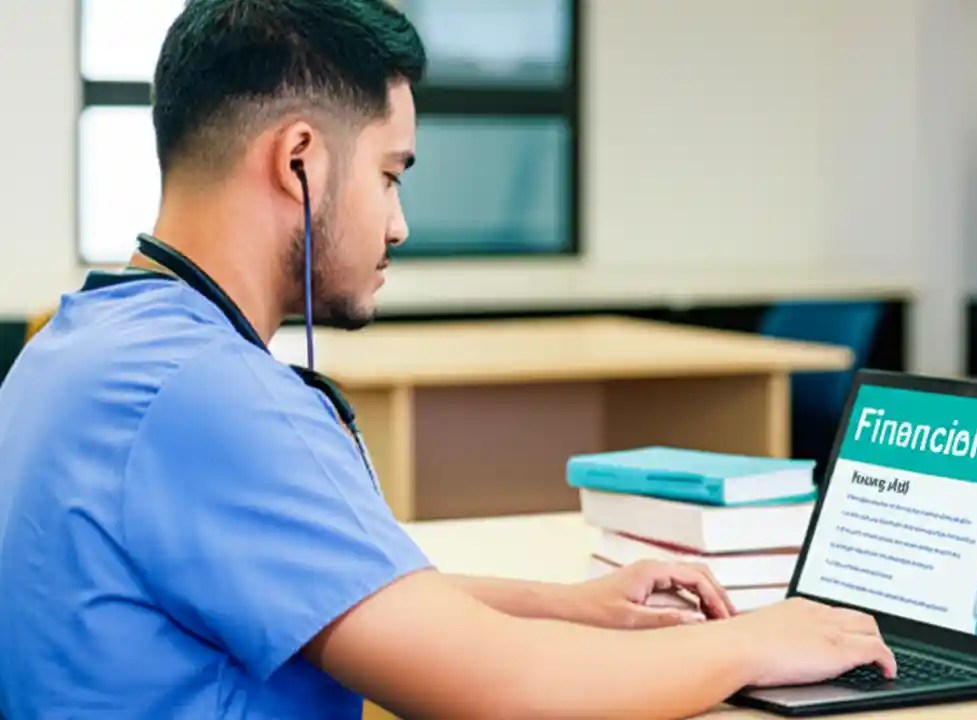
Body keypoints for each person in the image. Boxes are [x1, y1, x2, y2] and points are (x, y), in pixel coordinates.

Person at [0, 2, 895, 718]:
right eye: (390, 174)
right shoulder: (213, 395)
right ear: (299, 159)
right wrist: (754, 639)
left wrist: (571, 606)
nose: (398, 224)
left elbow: (335, 591)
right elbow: (509, 694)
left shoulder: (77, 347)